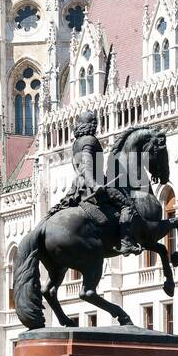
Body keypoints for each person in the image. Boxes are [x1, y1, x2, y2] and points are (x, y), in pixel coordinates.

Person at [48, 109, 141, 255]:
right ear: (91, 124)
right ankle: (126, 243)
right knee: (127, 205)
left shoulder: (77, 143)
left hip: (77, 188)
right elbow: (86, 165)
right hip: (92, 186)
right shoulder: (89, 141)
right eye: (95, 123)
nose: (96, 126)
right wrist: (94, 184)